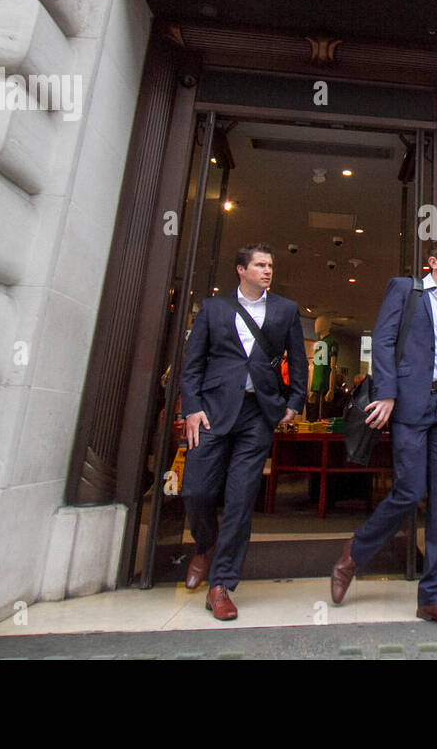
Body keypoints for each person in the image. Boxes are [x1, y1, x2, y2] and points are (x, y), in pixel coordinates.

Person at [330, 239, 437, 630]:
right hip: (411, 407)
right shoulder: (405, 289)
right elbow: (383, 340)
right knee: (410, 491)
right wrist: (387, 394)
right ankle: (353, 555)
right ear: (433, 263)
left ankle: (434, 597)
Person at [179, 243, 308, 620]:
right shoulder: (213, 308)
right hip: (213, 414)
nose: (268, 271)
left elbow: (297, 362)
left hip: (257, 416)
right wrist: (192, 408)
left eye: (271, 266)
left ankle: (221, 585)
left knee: (240, 500)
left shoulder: (285, 310)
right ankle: (205, 546)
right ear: (241, 269)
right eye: (260, 265)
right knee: (196, 489)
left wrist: (294, 403)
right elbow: (193, 365)